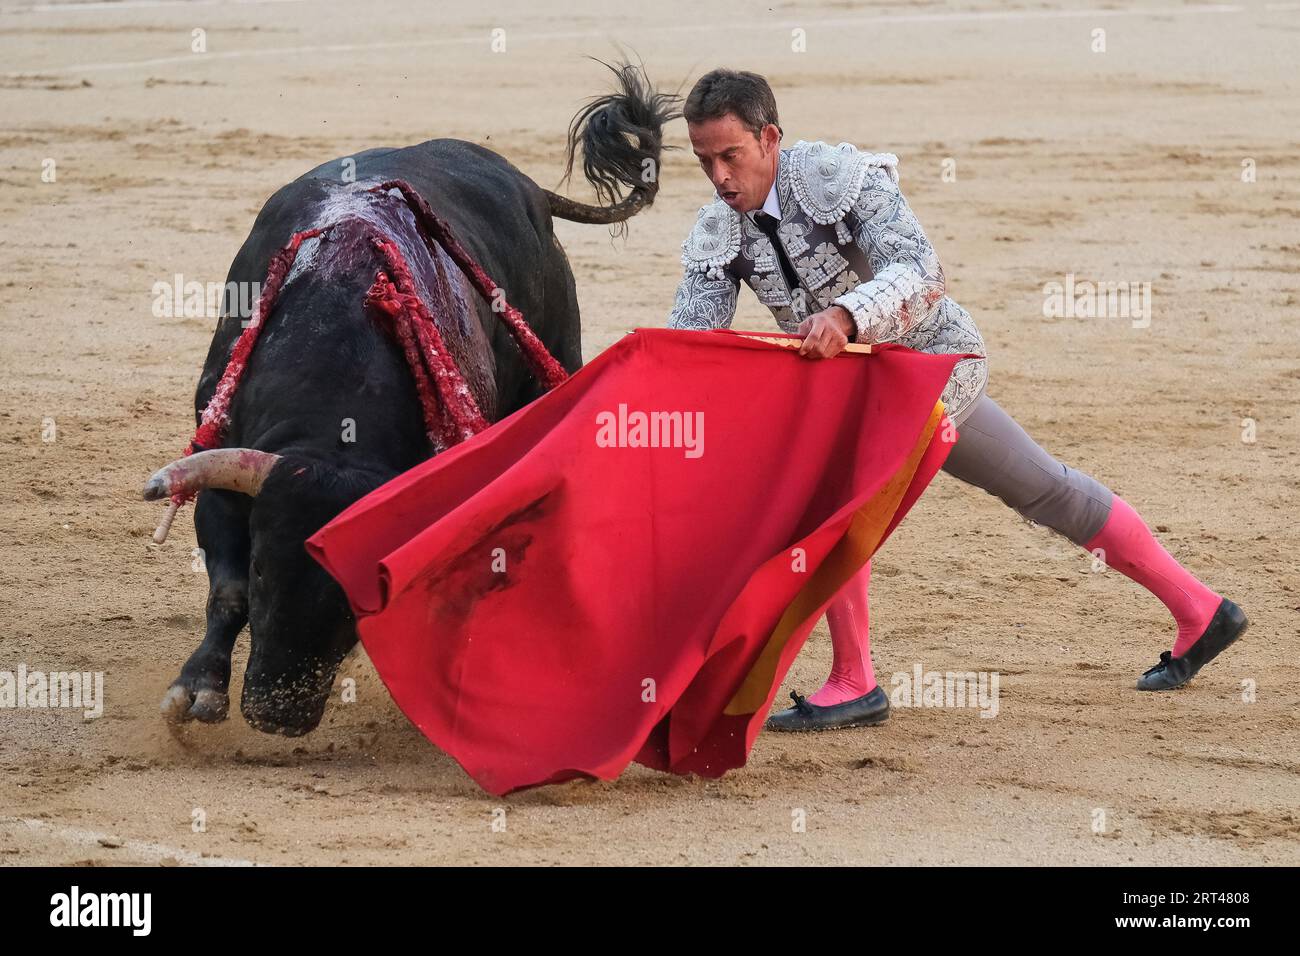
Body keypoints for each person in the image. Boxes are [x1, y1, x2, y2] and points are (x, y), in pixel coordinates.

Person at [666, 68, 1247, 731]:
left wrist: (849, 316)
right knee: (1044, 490)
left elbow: (922, 271)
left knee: (836, 502)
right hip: (852, 397)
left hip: (932, 373)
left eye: (729, 155)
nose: (718, 176)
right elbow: (696, 343)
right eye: (703, 160)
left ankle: (855, 681)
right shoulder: (718, 231)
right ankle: (1202, 610)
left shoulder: (838, 176)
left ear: (769, 138)